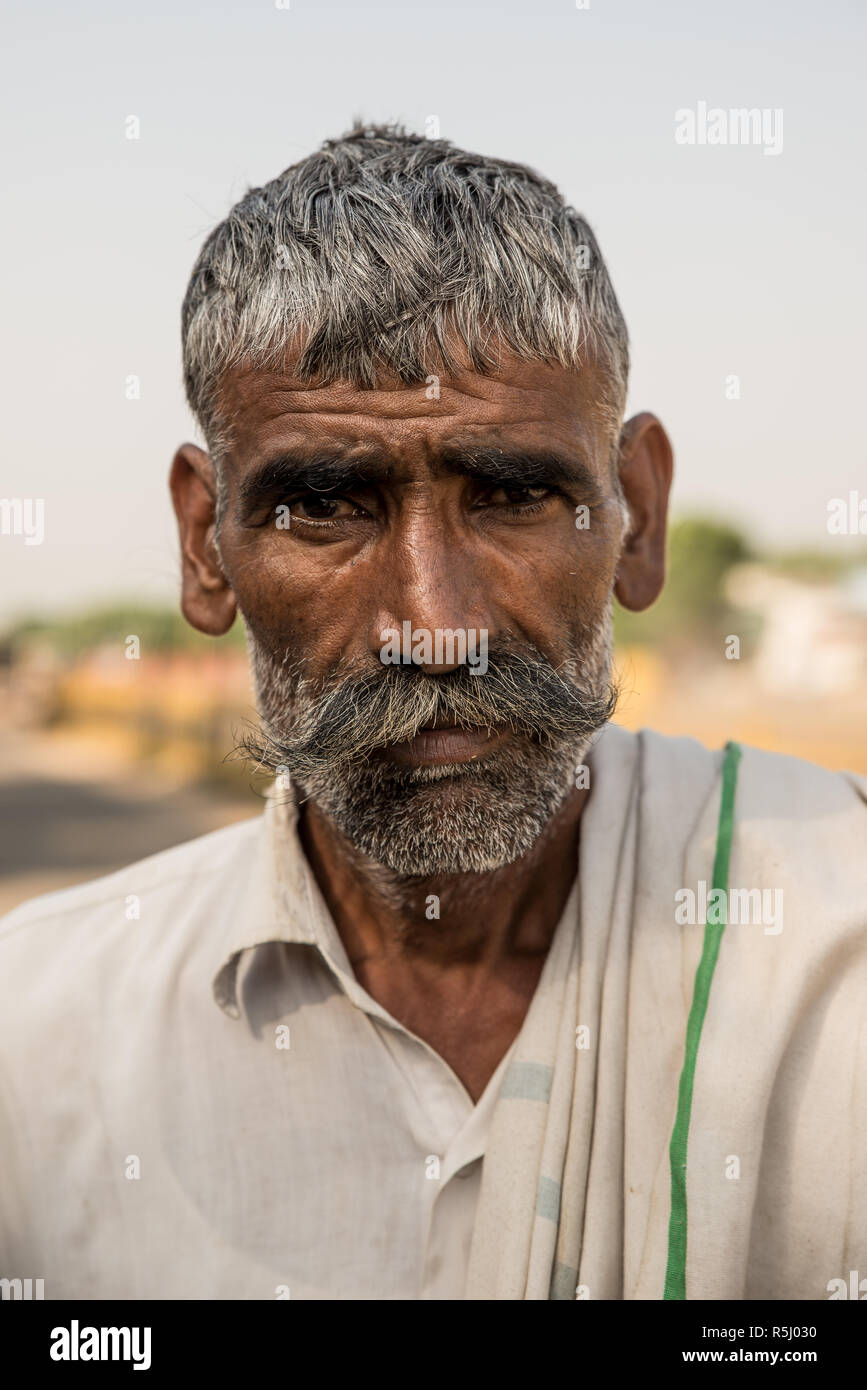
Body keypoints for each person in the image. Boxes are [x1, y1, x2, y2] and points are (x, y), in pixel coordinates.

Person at [1, 124, 865, 1301]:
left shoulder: (837, 949)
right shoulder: (32, 1040)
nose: (433, 624)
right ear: (207, 545)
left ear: (638, 517)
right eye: (325, 505)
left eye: (513, 494)